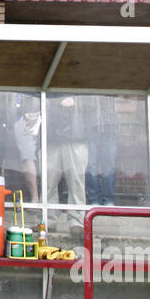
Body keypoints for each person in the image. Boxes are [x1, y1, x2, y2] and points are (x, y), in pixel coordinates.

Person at [45, 93, 87, 235]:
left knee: (76, 180)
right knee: (48, 180)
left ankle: (77, 220)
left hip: (76, 133)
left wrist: (77, 102)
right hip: (50, 132)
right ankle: (47, 219)